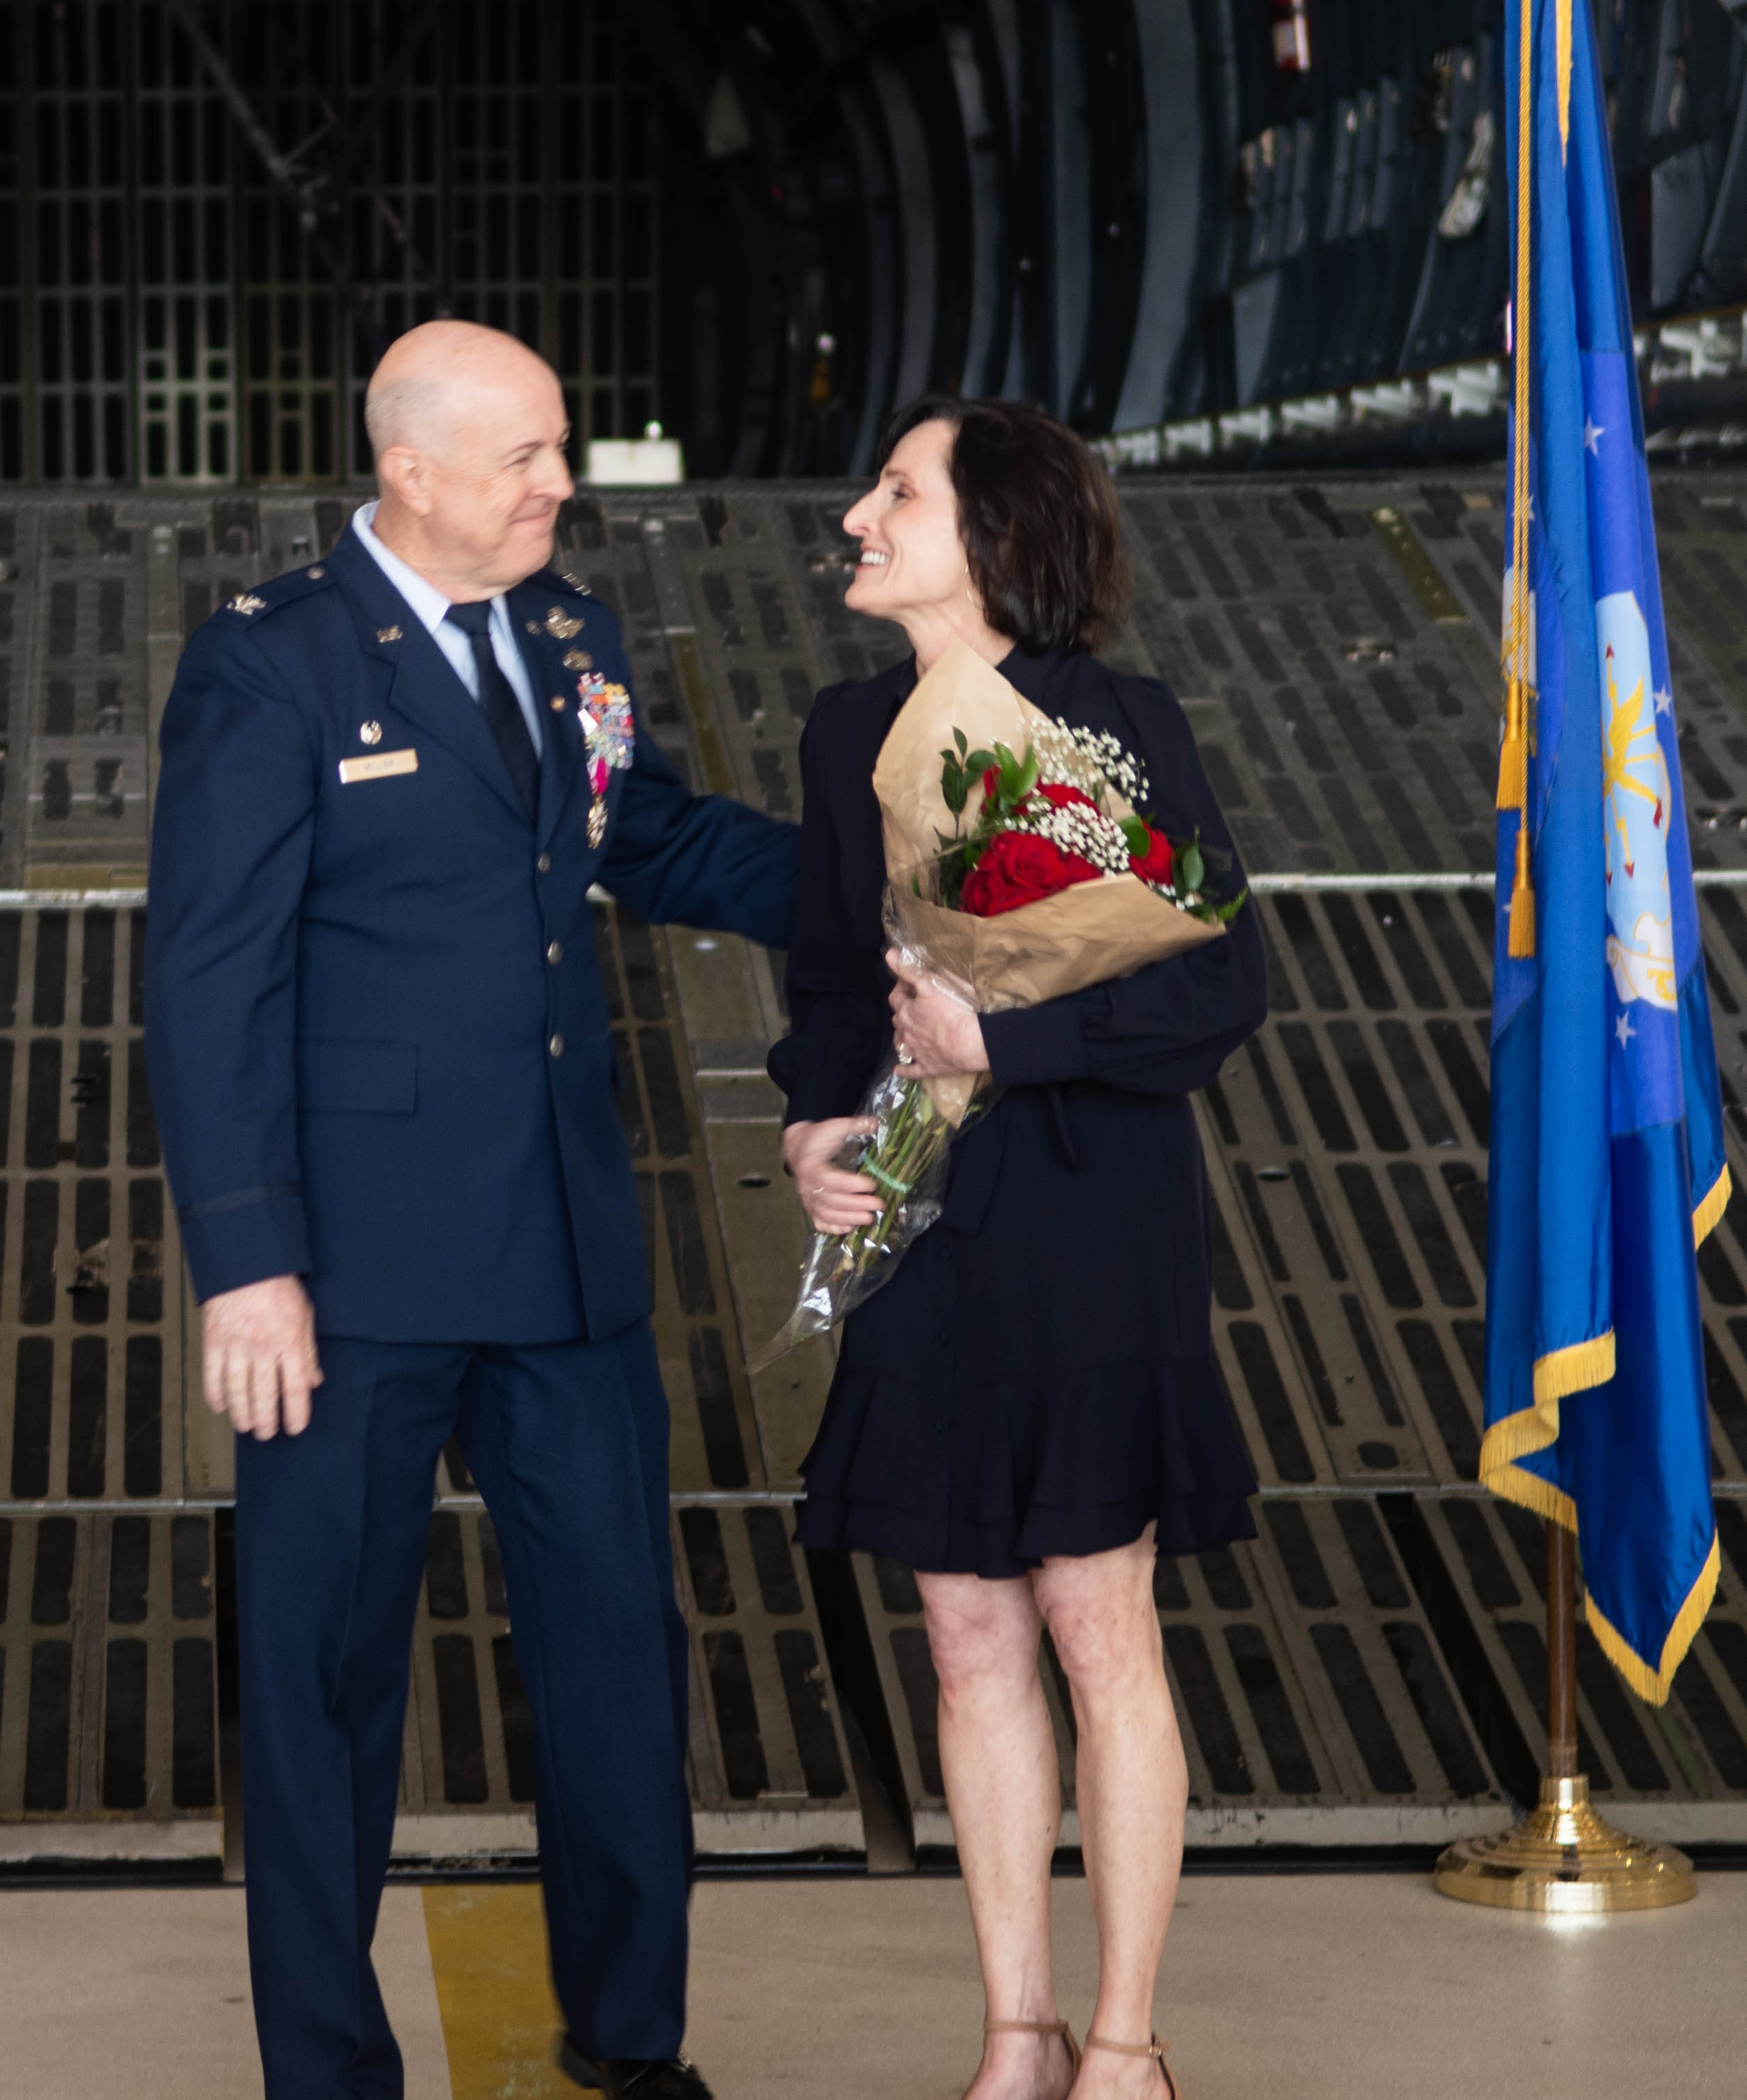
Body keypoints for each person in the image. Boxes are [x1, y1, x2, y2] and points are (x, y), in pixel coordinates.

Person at [146, 320, 797, 2100]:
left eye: (558, 451)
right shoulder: (270, 663)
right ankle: (327, 2075)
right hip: (347, 1275)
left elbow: (641, 837)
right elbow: (207, 979)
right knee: (324, 1687)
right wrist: (246, 1264)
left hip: (565, 1257)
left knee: (618, 1662)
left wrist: (883, 876)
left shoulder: (568, 636)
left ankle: (631, 2042)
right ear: (408, 471)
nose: (557, 486)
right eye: (524, 459)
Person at [771, 395, 1265, 2100]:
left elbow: (1217, 984)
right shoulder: (849, 732)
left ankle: (1122, 2045)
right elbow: (831, 977)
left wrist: (1014, 1041)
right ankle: (1014, 2034)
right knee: (963, 1632)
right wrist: (813, 1123)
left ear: (990, 533)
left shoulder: (1121, 722)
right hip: (927, 1206)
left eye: (894, 492)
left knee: (1094, 1624)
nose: (858, 517)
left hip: (1090, 1208)